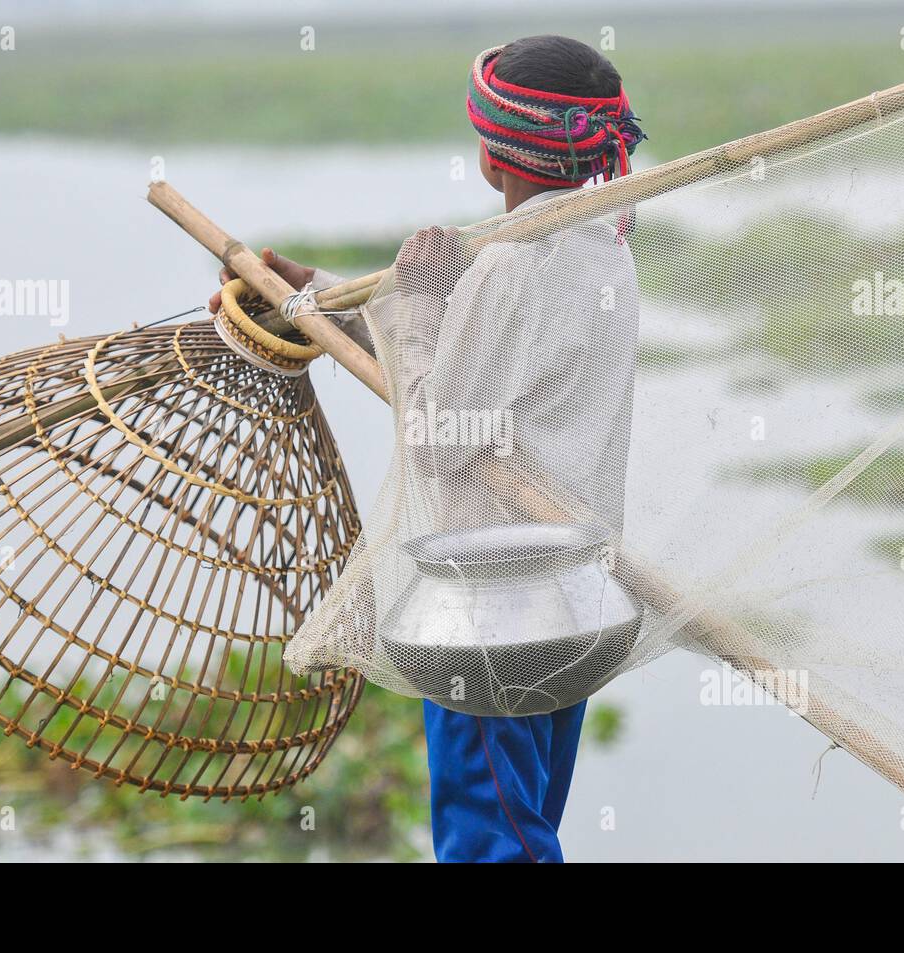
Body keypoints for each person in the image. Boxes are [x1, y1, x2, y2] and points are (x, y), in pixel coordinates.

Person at [211, 34, 644, 863]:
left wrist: (417, 299)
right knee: (527, 823)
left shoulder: (510, 268)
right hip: (574, 603)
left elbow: (440, 434)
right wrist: (320, 298)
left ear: (491, 159)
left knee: (493, 841)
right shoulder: (604, 245)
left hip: (491, 612)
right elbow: (470, 356)